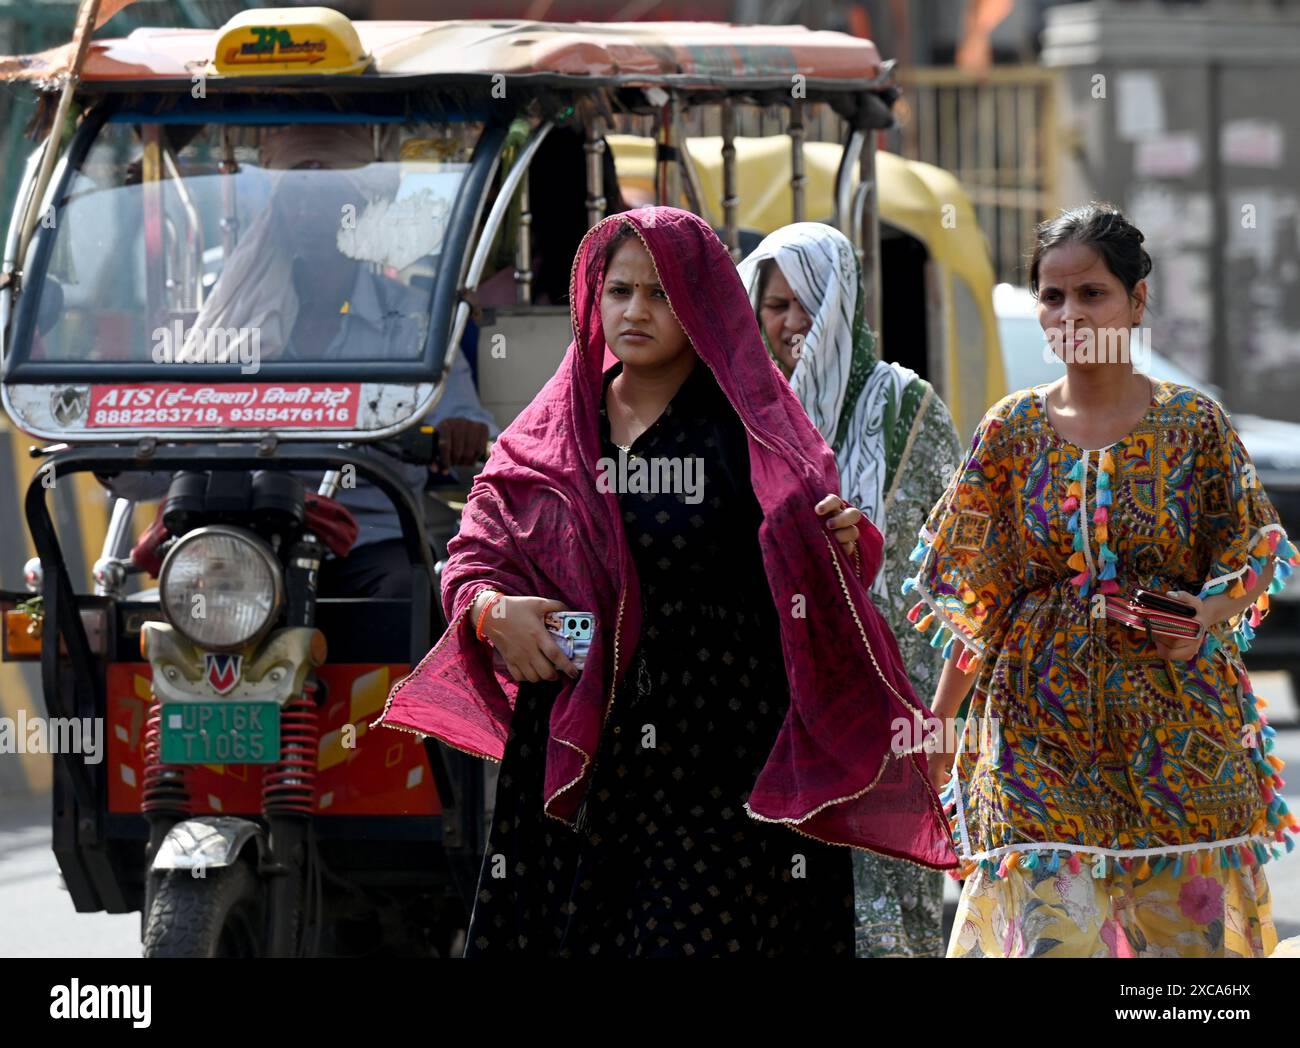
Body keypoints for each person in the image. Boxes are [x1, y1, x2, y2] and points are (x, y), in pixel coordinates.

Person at [375, 206, 957, 957]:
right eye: (618, 291)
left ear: (702, 303)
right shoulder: (556, 429)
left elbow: (820, 580)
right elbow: (476, 553)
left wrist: (841, 542)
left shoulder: (756, 432)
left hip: (718, 762)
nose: (635, 312)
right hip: (578, 761)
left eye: (659, 294)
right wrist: (493, 614)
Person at [908, 203, 1300, 957]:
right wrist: (940, 730)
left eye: (1092, 293)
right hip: (1033, 741)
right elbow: (973, 603)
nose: (1069, 312)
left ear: (1137, 300)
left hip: (1178, 741)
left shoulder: (1195, 425)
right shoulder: (1008, 433)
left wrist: (1202, 615)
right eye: (1052, 295)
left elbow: (1257, 554)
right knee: (1045, 936)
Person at [738, 222, 962, 958]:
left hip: (881, 701)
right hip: (764, 694)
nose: (795, 322)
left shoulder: (906, 405)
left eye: (811, 301)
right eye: (776, 304)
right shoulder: (735, 411)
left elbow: (945, 563)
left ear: (846, 303)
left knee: (883, 910)